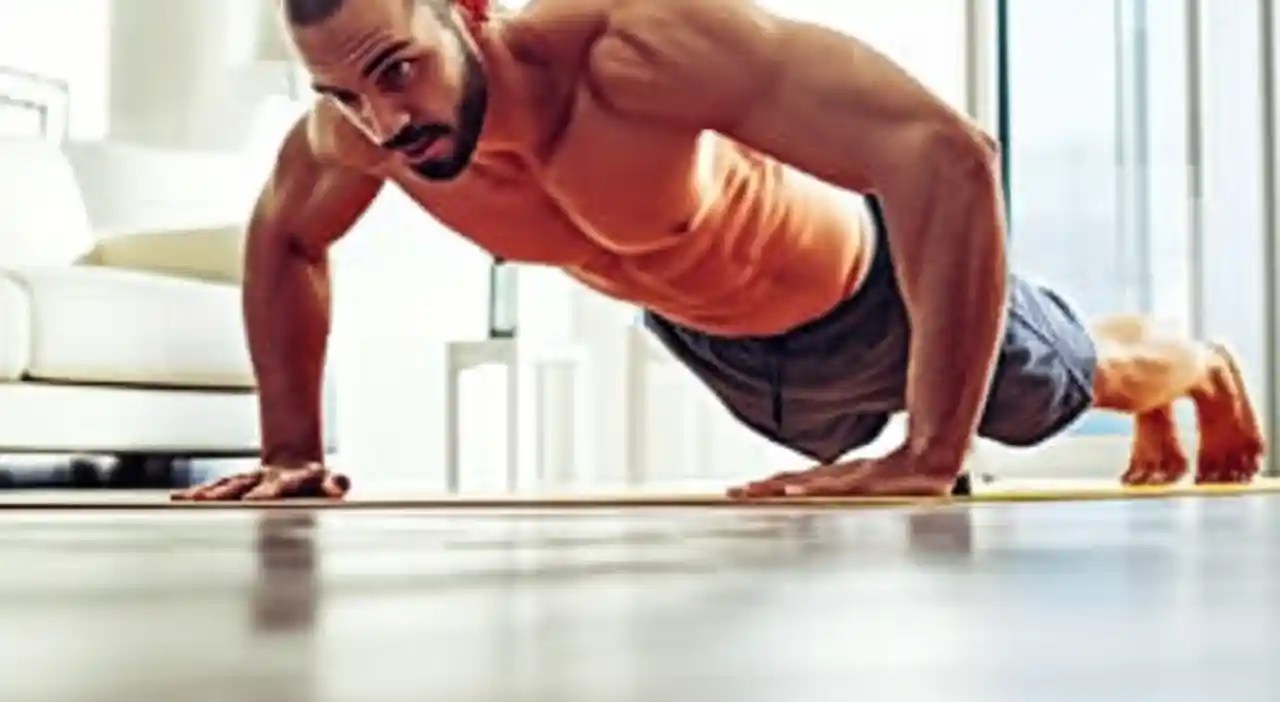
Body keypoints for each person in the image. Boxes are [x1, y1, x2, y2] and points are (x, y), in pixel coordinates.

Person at [173, 0, 1264, 502]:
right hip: (738, 361)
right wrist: (290, 450)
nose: (379, 122)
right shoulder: (355, 134)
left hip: (874, 299)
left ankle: (1197, 367)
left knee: (1073, 387)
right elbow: (283, 240)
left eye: (395, 69)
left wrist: (931, 456)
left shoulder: (636, 48)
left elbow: (948, 153)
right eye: (341, 94)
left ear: (466, 9)